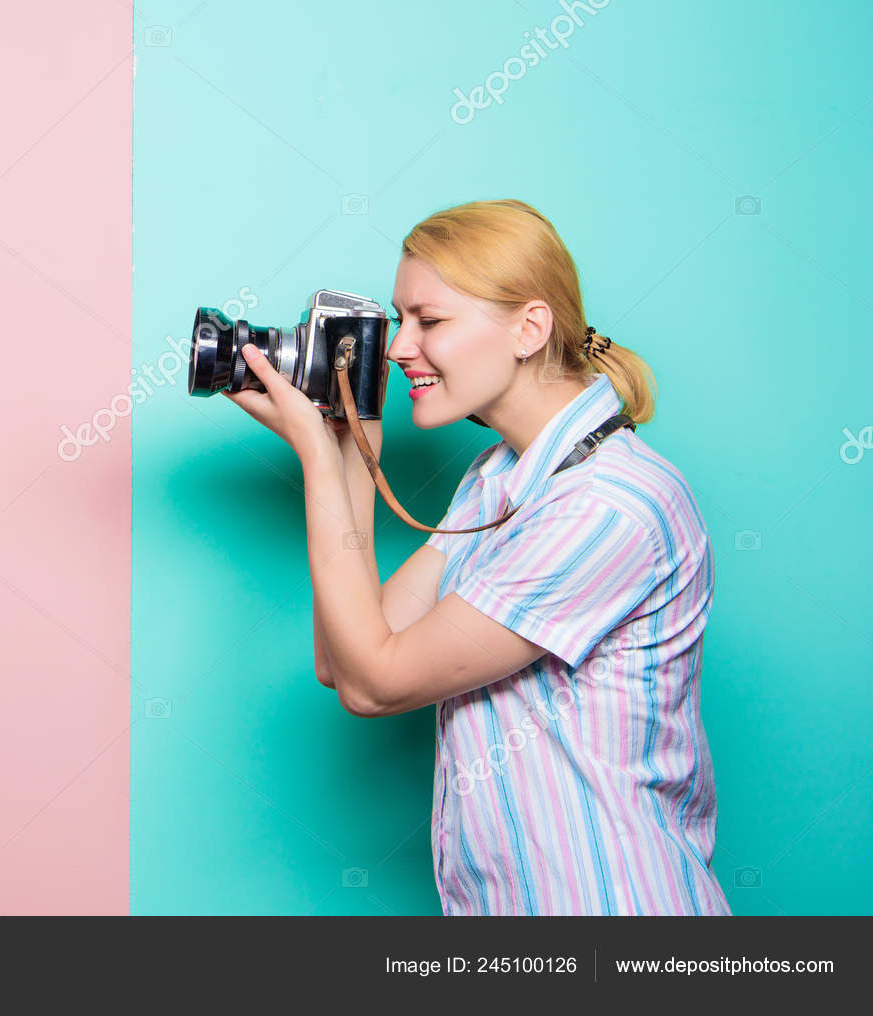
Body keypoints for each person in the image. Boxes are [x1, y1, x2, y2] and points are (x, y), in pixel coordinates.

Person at [226, 198, 729, 915]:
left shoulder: (605, 506)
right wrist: (348, 446)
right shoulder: (500, 477)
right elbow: (345, 658)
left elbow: (375, 685)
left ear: (530, 328)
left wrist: (314, 457)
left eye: (429, 321)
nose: (398, 348)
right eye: (399, 320)